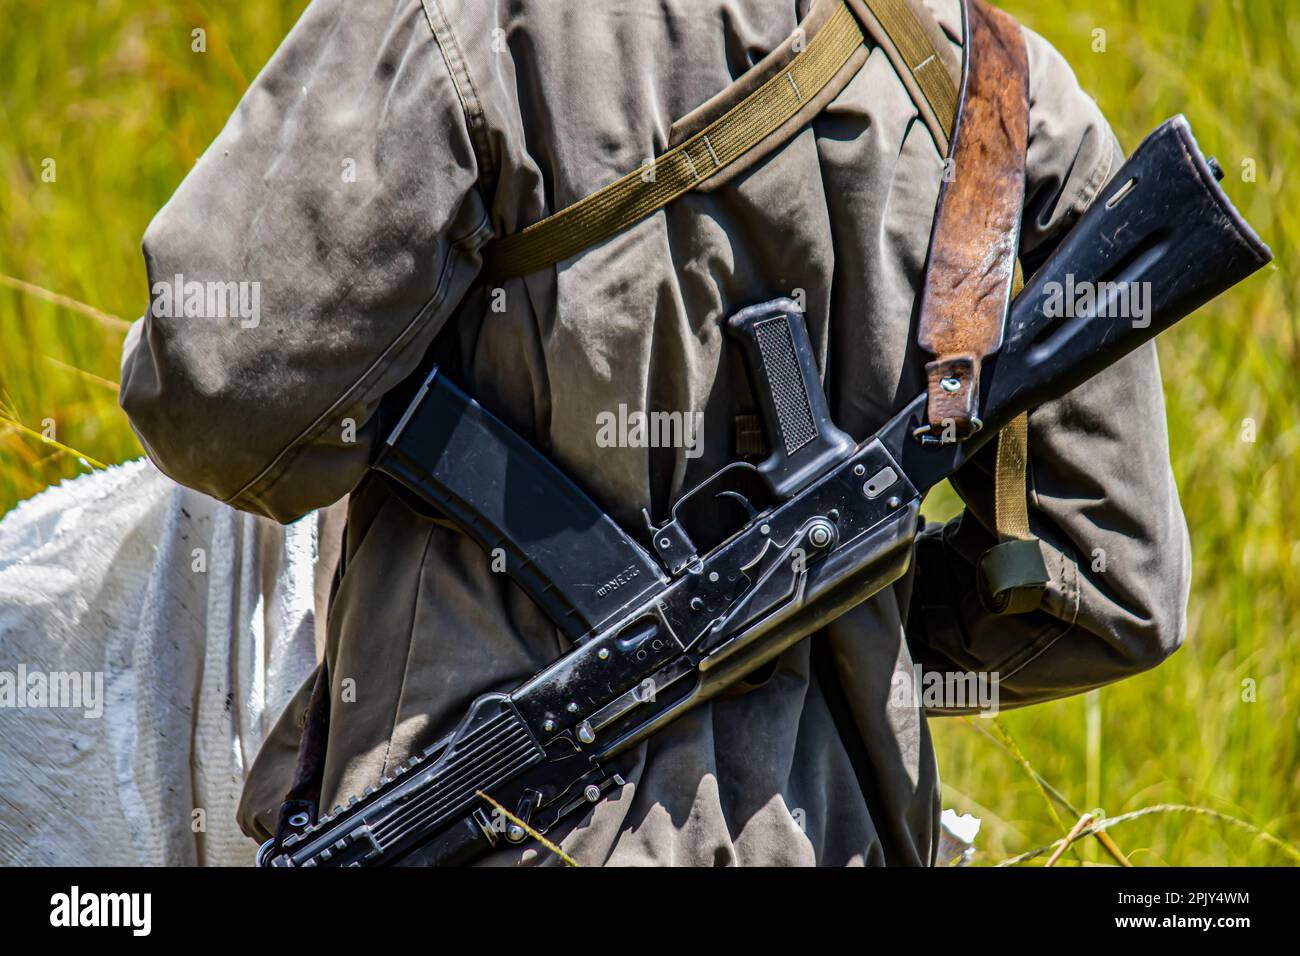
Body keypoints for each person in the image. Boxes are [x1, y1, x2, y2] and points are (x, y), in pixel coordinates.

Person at [119, 0, 1190, 866]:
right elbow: (1109, 589)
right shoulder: (1000, 96)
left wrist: (794, 572)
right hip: (842, 836)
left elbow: (213, 388)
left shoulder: (465, 23)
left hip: (488, 833)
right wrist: (837, 618)